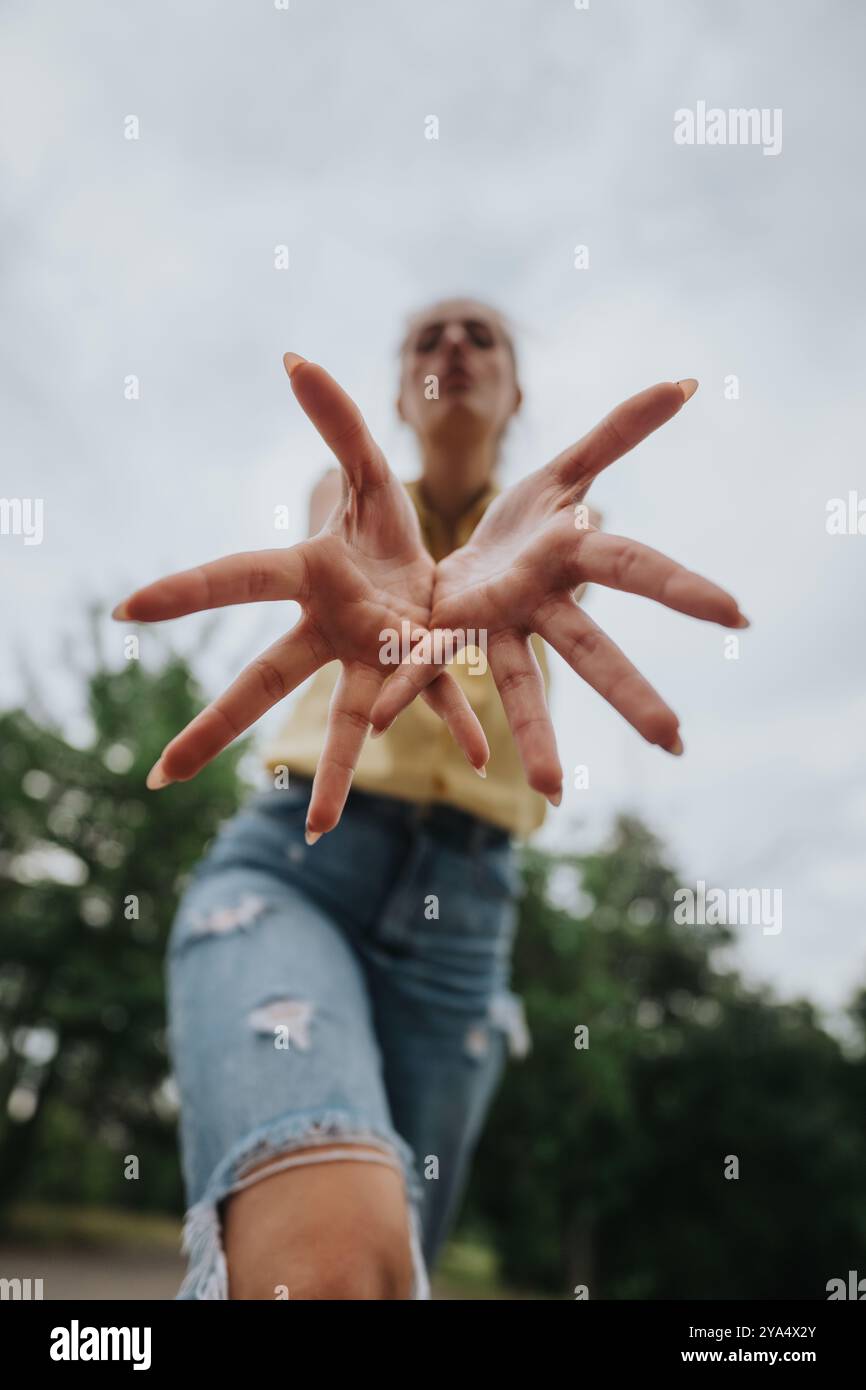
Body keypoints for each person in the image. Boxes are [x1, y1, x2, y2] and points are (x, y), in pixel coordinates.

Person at [112, 298, 747, 1299]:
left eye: (479, 334)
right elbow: (350, 517)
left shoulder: (554, 524)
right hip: (297, 864)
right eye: (426, 337)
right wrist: (394, 581)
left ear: (517, 392)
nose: (452, 345)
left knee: (401, 1253)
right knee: (327, 1257)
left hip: (468, 914)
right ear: (399, 399)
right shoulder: (353, 499)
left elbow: (561, 537)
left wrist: (499, 572)